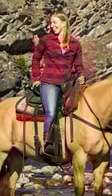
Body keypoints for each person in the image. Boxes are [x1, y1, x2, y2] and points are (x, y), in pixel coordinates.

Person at [30, 12, 85, 158]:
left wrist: (81, 76)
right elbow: (36, 59)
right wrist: (36, 78)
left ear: (64, 24)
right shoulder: (46, 40)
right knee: (52, 112)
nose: (52, 26)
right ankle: (47, 144)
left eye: (55, 22)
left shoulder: (75, 43)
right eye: (51, 23)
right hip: (49, 82)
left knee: (78, 110)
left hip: (68, 83)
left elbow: (79, 64)